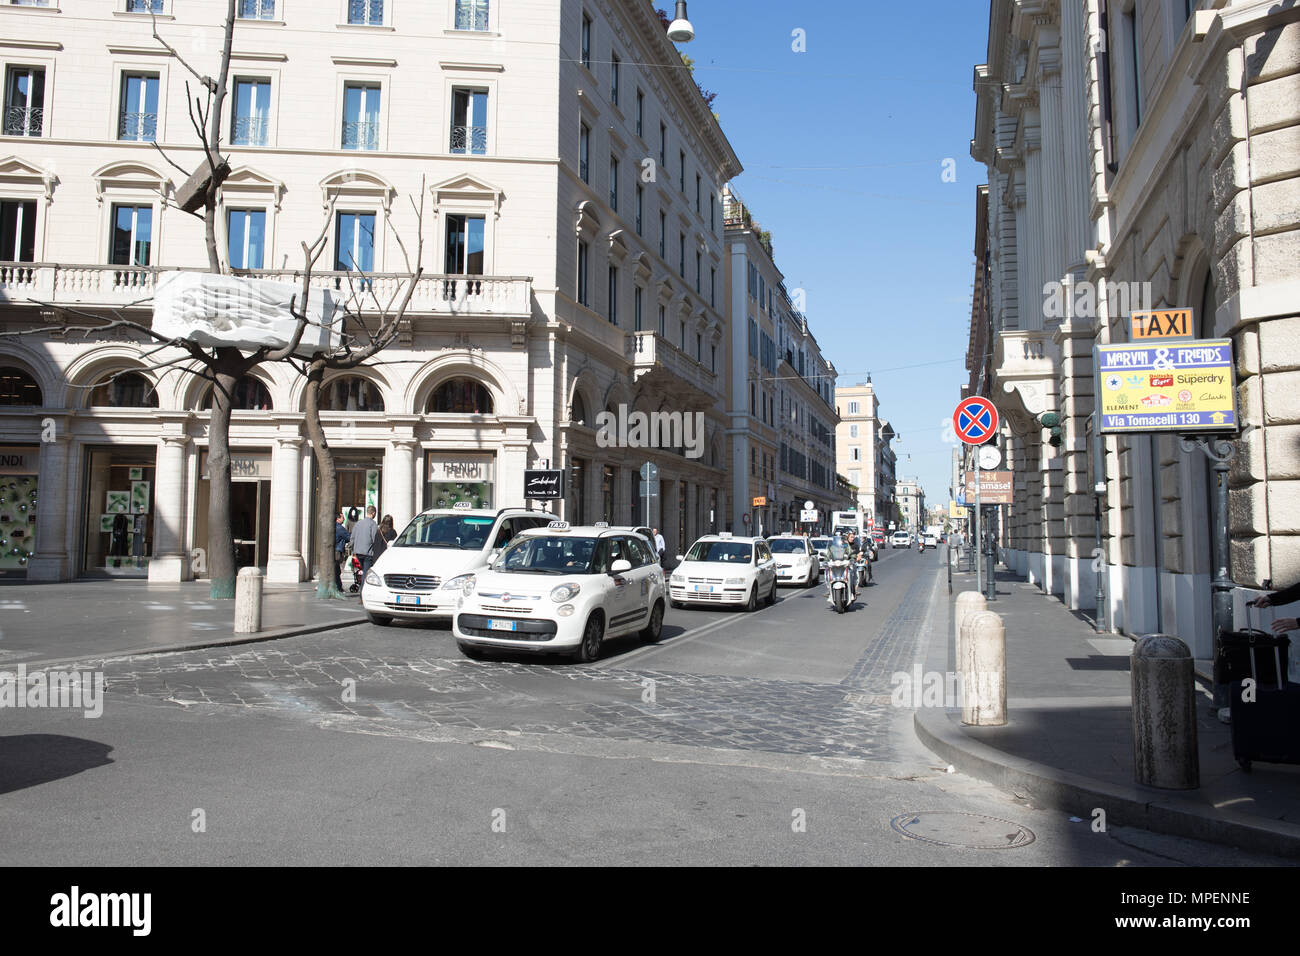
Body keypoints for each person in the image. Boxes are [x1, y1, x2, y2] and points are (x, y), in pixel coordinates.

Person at [350, 505, 381, 579]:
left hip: (358, 552)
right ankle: (363, 589)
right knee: (366, 572)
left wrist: (352, 548)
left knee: (363, 570)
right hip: (367, 553)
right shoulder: (373, 524)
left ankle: (362, 586)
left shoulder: (358, 523)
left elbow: (352, 537)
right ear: (373, 513)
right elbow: (375, 539)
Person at [333, 513, 350, 590]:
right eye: (343, 517)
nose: (344, 519)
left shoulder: (333, 526)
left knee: (336, 569)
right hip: (337, 550)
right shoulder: (340, 528)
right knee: (336, 570)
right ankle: (338, 587)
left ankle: (338, 586)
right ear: (338, 519)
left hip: (335, 549)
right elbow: (349, 537)